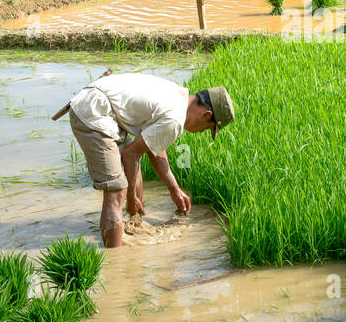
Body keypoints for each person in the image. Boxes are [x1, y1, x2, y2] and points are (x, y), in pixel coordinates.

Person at [63, 72, 235, 248]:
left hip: (102, 107)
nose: (201, 131)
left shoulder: (178, 96)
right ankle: (116, 259)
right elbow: (131, 154)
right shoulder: (175, 119)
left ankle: (133, 227)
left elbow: (154, 149)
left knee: (135, 177)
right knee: (117, 190)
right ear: (206, 114)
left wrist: (174, 189)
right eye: (208, 128)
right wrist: (130, 197)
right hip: (93, 112)